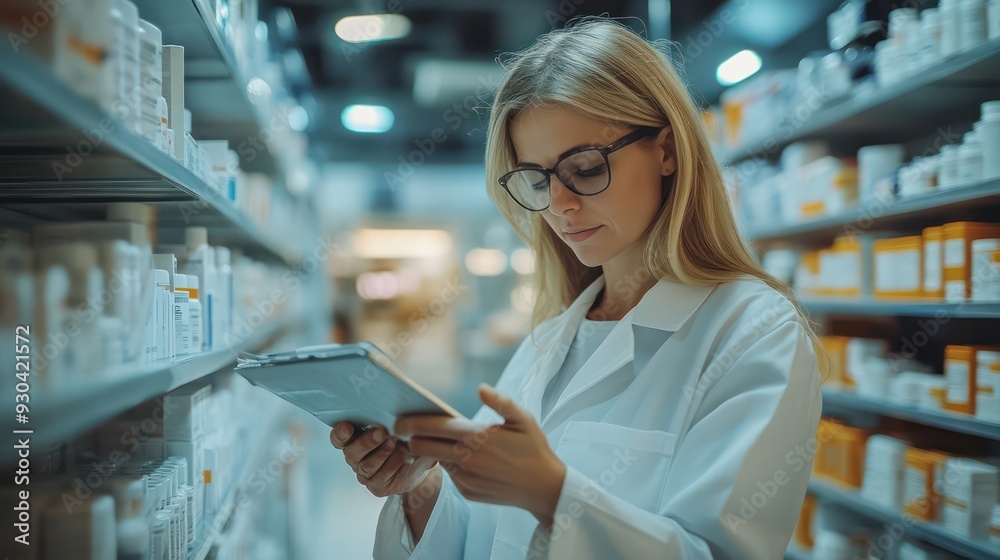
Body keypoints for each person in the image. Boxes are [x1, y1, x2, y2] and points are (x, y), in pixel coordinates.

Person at [330, 18, 823, 560]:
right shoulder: (550, 340)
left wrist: (552, 494)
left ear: (666, 151)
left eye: (585, 168)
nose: (560, 205)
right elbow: (487, 534)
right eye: (538, 181)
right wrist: (421, 490)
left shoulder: (753, 332)